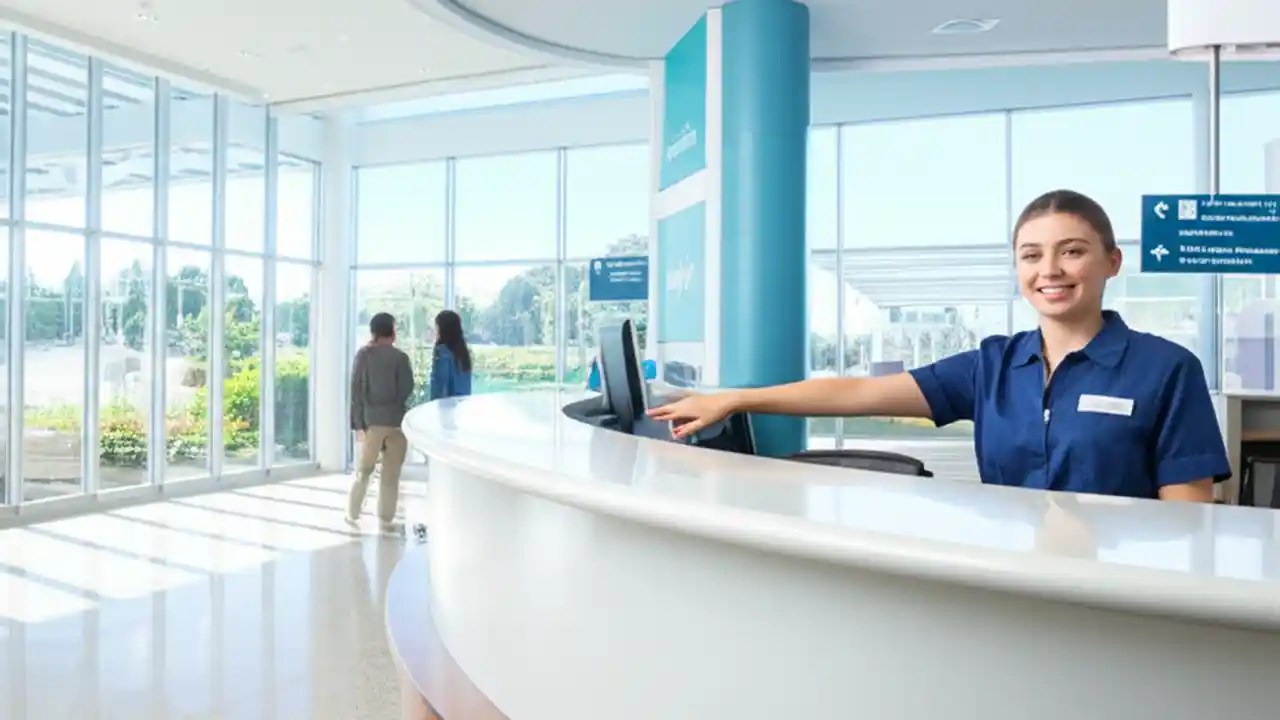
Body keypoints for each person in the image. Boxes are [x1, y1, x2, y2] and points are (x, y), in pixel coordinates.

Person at [649, 189, 1231, 502]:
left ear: (1112, 260)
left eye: (1072, 250)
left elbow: (1187, 521)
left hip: (1120, 599)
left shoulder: (1165, 369)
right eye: (1031, 255)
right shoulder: (994, 366)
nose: (1050, 269)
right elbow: (858, 392)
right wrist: (733, 400)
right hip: (1016, 584)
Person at [347, 312, 415, 532]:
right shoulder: (401, 358)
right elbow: (407, 389)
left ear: (373, 331)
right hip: (397, 423)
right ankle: (386, 518)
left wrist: (358, 424)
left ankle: (353, 512)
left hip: (372, 423)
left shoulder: (364, 355)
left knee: (364, 471)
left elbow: (356, 391)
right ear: (392, 331)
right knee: (391, 474)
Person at [429, 309, 473, 401]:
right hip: (463, 403)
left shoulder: (442, 351)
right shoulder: (463, 352)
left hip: (446, 405)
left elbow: (441, 383)